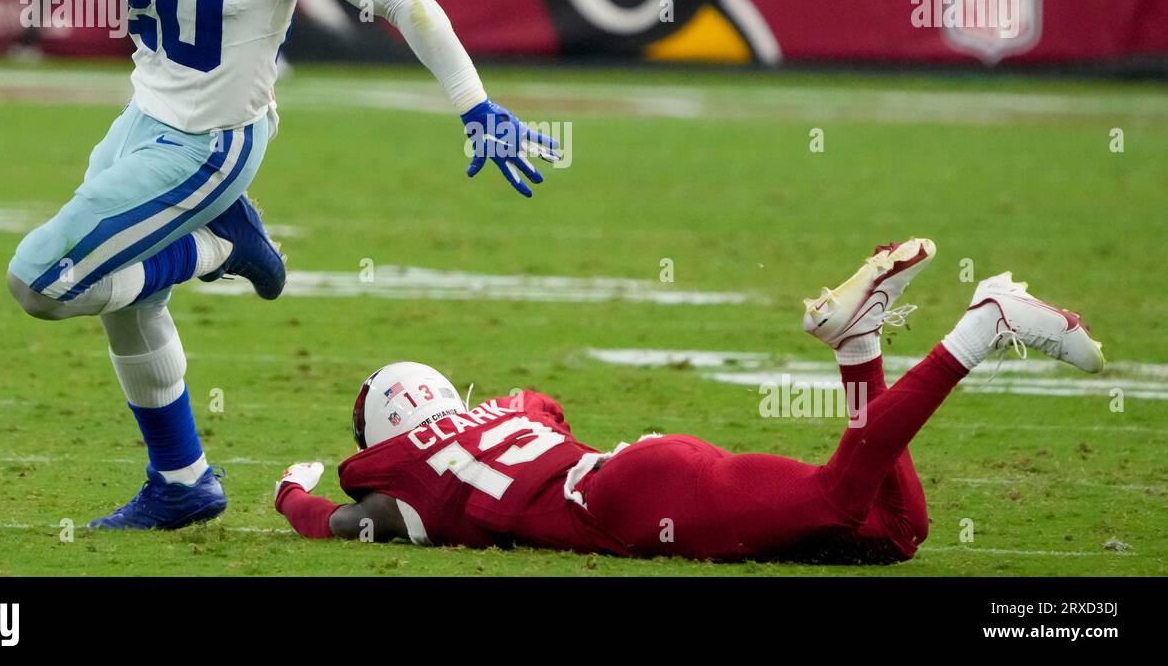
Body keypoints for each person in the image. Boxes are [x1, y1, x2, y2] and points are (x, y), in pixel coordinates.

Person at [0, 0, 561, 530]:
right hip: (143, 114)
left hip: (211, 144)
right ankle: (183, 481)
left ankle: (223, 246)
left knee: (41, 282)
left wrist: (476, 104)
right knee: (124, 304)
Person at [275, 239, 1106, 562]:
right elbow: (549, 414)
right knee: (894, 532)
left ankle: (983, 327)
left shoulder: (408, 475)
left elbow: (342, 523)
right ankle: (858, 345)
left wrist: (292, 494)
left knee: (833, 493)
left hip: (631, 501)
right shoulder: (511, 408)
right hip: (641, 470)